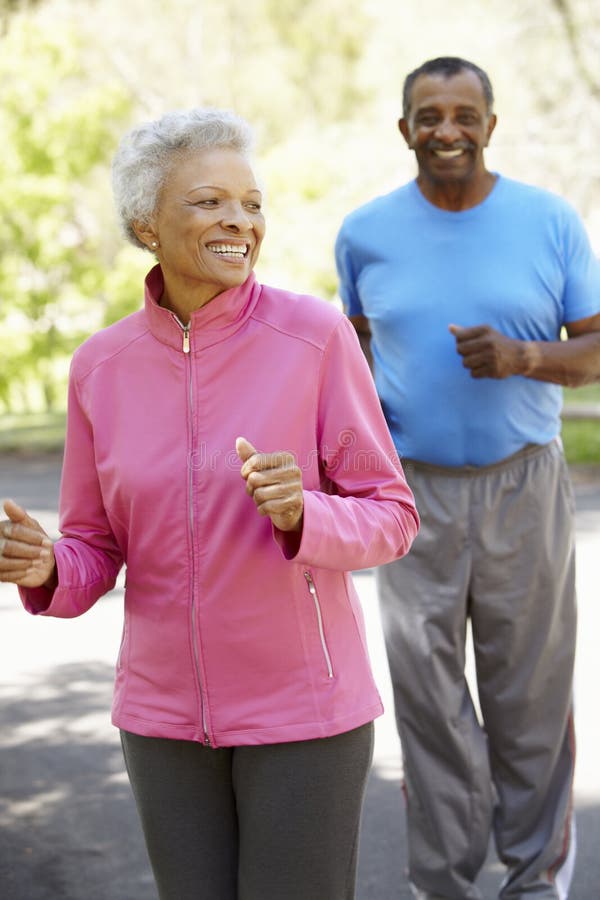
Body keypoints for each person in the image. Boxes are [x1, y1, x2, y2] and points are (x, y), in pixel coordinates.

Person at [0, 108, 419, 900]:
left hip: (303, 715)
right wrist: (49, 565)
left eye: (251, 203)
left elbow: (392, 515)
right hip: (161, 721)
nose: (239, 220)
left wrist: (305, 515)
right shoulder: (100, 368)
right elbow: (96, 544)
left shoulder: (315, 338)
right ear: (146, 226)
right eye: (208, 201)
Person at [335, 56, 600, 900]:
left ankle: (535, 880)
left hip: (525, 484)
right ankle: (442, 882)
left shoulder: (549, 221)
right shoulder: (364, 233)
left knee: (532, 692)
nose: (445, 129)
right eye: (428, 115)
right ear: (404, 129)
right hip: (410, 494)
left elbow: (596, 347)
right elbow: (354, 356)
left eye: (462, 114)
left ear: (490, 124)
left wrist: (525, 357)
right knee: (427, 698)